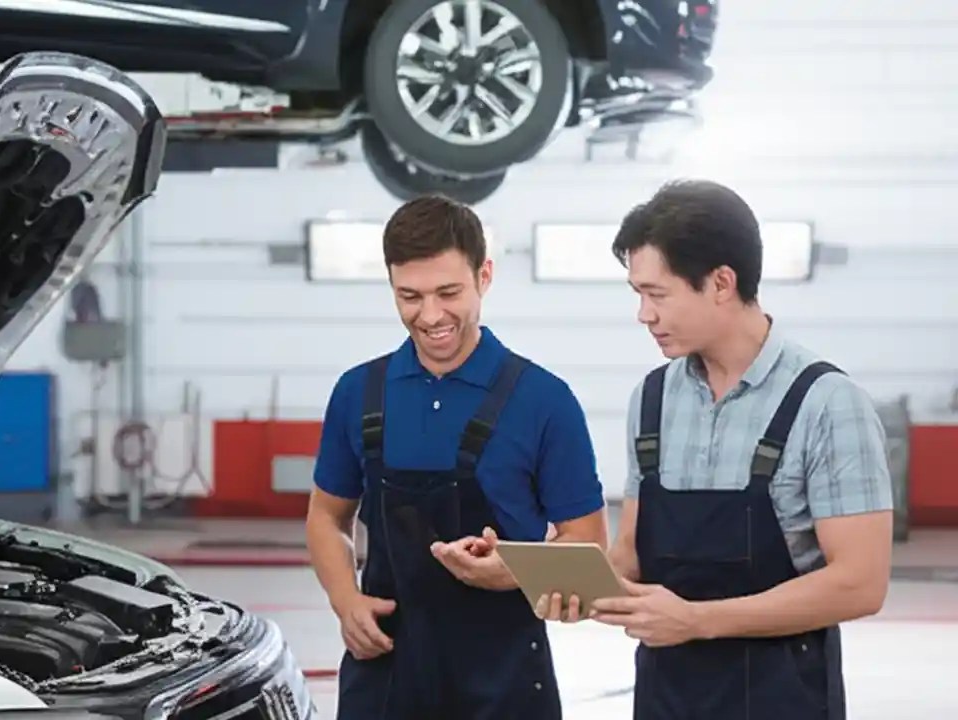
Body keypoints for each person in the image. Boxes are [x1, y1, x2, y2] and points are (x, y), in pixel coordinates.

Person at [536, 179, 893, 719]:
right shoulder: (652, 399)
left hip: (782, 701)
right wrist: (563, 581)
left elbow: (860, 584)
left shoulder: (827, 404)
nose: (643, 315)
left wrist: (698, 620)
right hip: (666, 697)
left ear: (722, 282)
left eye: (657, 294)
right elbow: (632, 552)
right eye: (637, 294)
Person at [304, 194, 609, 720]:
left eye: (449, 292)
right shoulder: (358, 392)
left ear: (484, 276)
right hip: (386, 673)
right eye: (410, 296)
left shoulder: (544, 400)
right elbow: (326, 516)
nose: (430, 316)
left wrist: (512, 570)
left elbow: (587, 545)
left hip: (505, 681)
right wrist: (345, 600)